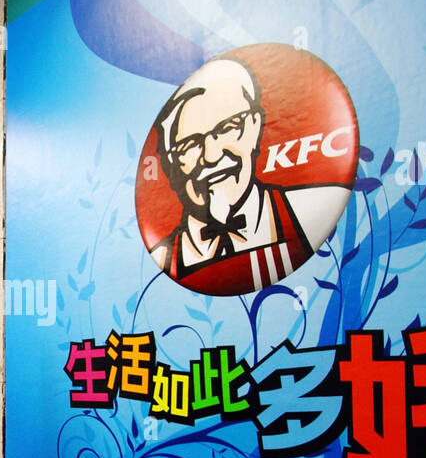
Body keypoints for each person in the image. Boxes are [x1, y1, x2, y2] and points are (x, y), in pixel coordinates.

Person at [147, 57, 348, 290]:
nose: (211, 156)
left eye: (228, 128)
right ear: (173, 164)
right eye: (190, 145)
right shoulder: (161, 259)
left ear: (254, 127)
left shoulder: (316, 207)